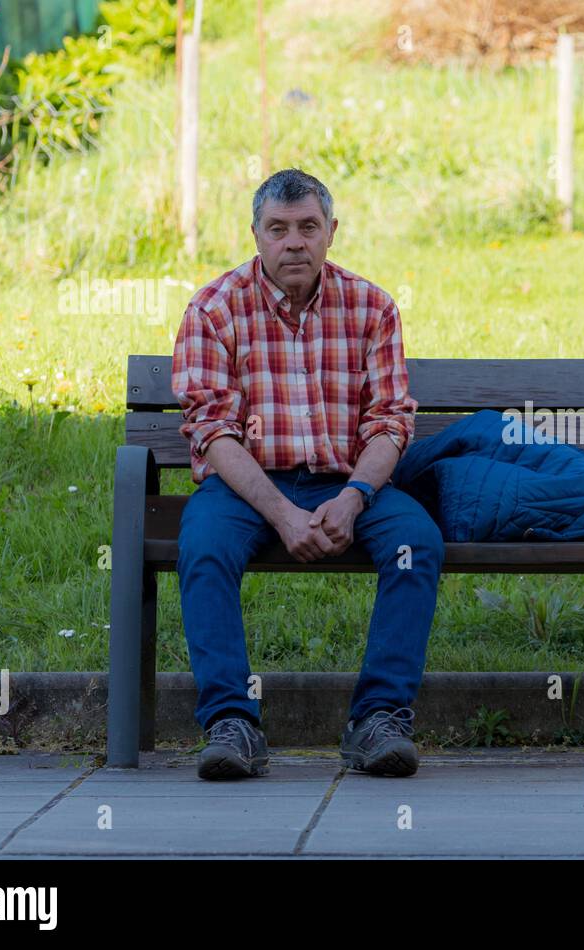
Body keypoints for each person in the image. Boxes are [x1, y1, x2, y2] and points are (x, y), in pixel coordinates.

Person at [171, 168, 444, 780]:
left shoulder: (372, 307)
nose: (293, 243)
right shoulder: (214, 309)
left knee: (415, 543)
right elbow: (214, 431)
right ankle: (231, 722)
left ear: (331, 233)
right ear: (256, 235)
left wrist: (353, 497)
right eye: (278, 229)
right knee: (204, 547)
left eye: (307, 228)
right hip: (247, 487)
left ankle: (378, 718)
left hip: (348, 484)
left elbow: (388, 423)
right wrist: (281, 512)